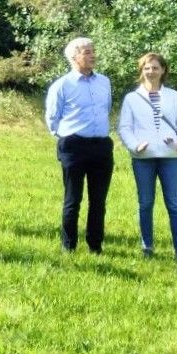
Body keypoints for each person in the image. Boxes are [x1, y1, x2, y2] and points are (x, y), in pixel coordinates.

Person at [117, 52, 177, 262]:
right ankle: (147, 248)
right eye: (147, 68)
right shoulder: (132, 98)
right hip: (143, 158)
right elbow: (124, 127)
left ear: (163, 70)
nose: (151, 72)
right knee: (145, 203)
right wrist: (135, 145)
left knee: (175, 205)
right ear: (141, 71)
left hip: (170, 157)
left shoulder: (174, 96)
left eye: (155, 68)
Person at [45, 36, 114, 254]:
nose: (92, 55)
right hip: (74, 146)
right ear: (74, 57)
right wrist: (65, 138)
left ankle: (95, 246)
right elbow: (52, 118)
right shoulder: (62, 85)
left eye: (93, 50)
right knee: (73, 199)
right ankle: (69, 246)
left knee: (99, 201)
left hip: (101, 146)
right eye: (86, 52)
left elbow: (107, 109)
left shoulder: (104, 82)